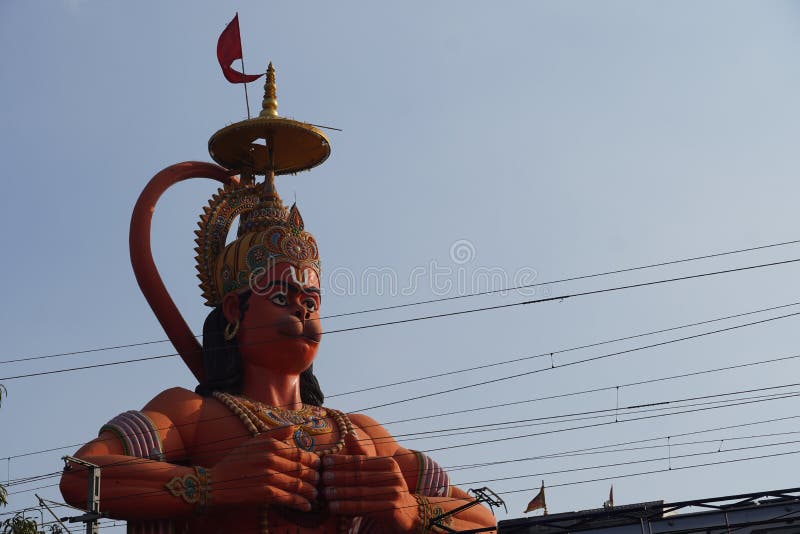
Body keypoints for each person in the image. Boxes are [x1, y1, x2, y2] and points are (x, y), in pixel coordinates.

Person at [60, 194, 497, 534]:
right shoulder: (191, 415)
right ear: (234, 310)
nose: (303, 312)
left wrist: (410, 510)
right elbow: (83, 475)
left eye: (311, 302)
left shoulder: (360, 432)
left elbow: (481, 522)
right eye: (281, 298)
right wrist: (212, 487)